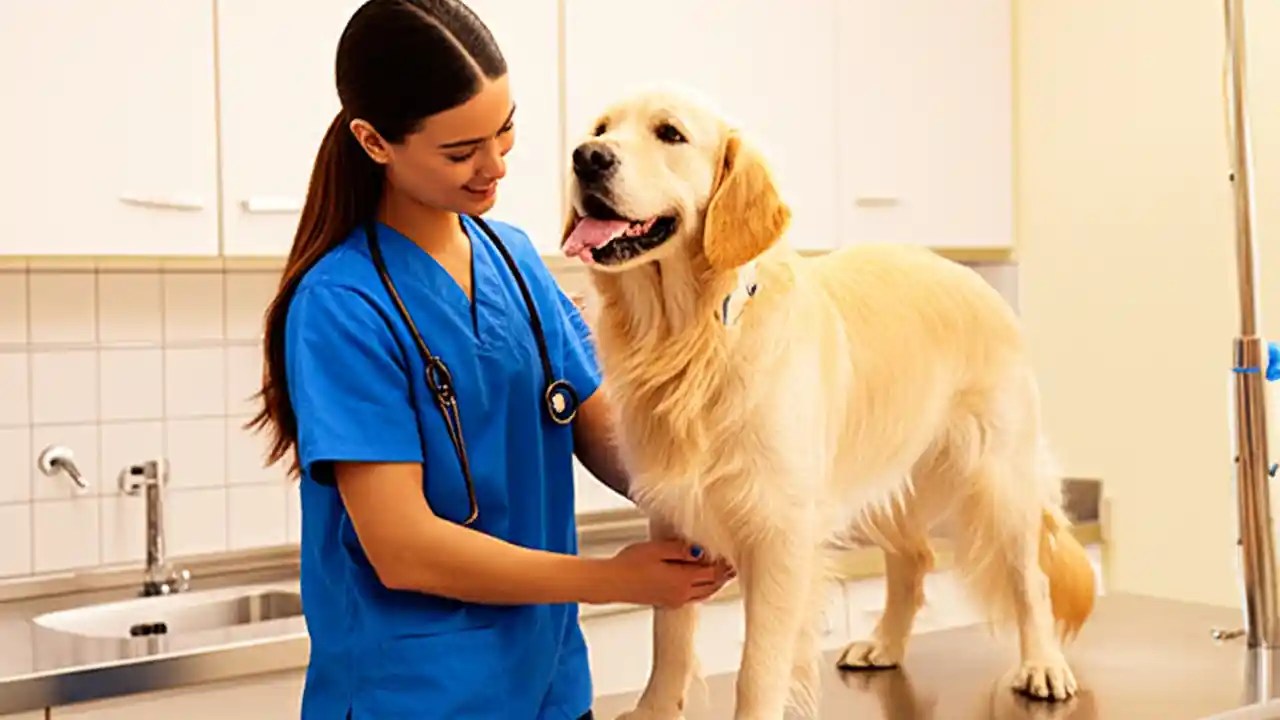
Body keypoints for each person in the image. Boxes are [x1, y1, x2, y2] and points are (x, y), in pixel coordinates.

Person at [246, 1, 734, 718]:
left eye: (505, 131)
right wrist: (614, 579)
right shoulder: (340, 306)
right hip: (415, 699)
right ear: (375, 142)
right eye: (460, 150)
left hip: (552, 690)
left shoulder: (517, 263)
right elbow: (403, 547)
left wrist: (727, 497)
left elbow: (612, 439)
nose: (495, 165)